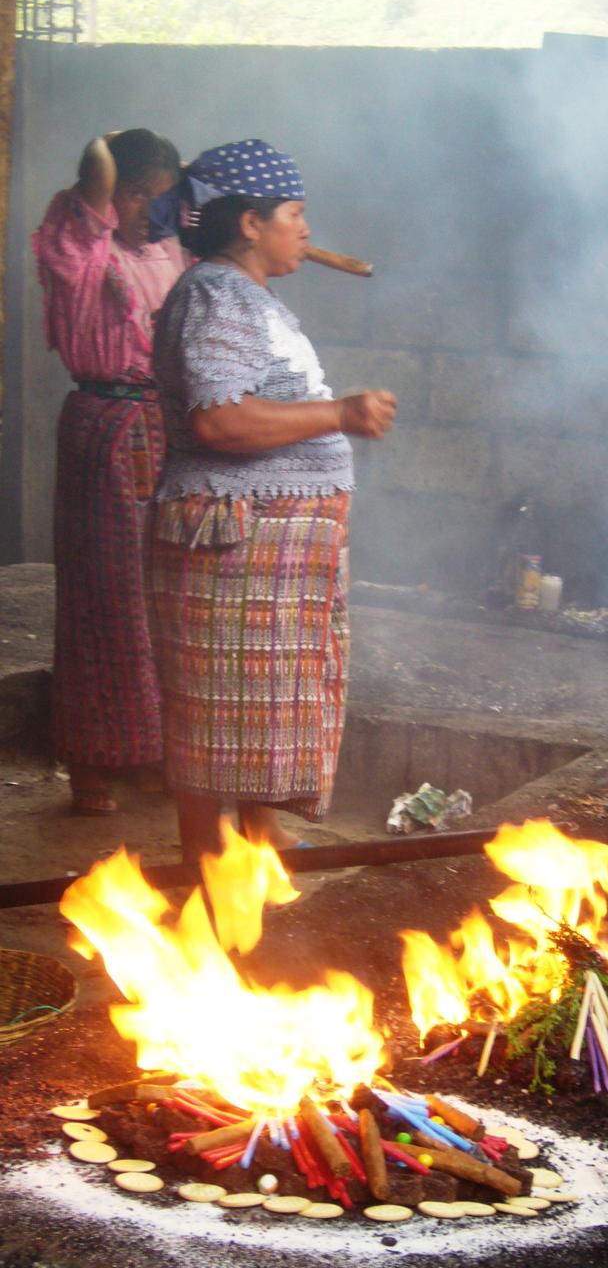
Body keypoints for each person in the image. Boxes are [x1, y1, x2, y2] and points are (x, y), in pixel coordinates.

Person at [150, 139, 397, 860]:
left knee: (248, 710)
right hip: (232, 537)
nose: (308, 229)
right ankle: (209, 873)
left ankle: (257, 836)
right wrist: (340, 416)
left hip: (259, 544)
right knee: (212, 721)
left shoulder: (248, 297)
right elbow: (217, 420)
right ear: (250, 223)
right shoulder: (212, 295)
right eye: (295, 213)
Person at [34, 129, 189, 814]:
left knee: (159, 596)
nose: (154, 211)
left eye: (163, 198)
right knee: (105, 601)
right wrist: (102, 149)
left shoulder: (168, 247)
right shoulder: (78, 241)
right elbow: (94, 165)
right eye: (144, 196)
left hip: (165, 429)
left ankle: (148, 751)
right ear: (117, 194)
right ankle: (90, 762)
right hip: (106, 431)